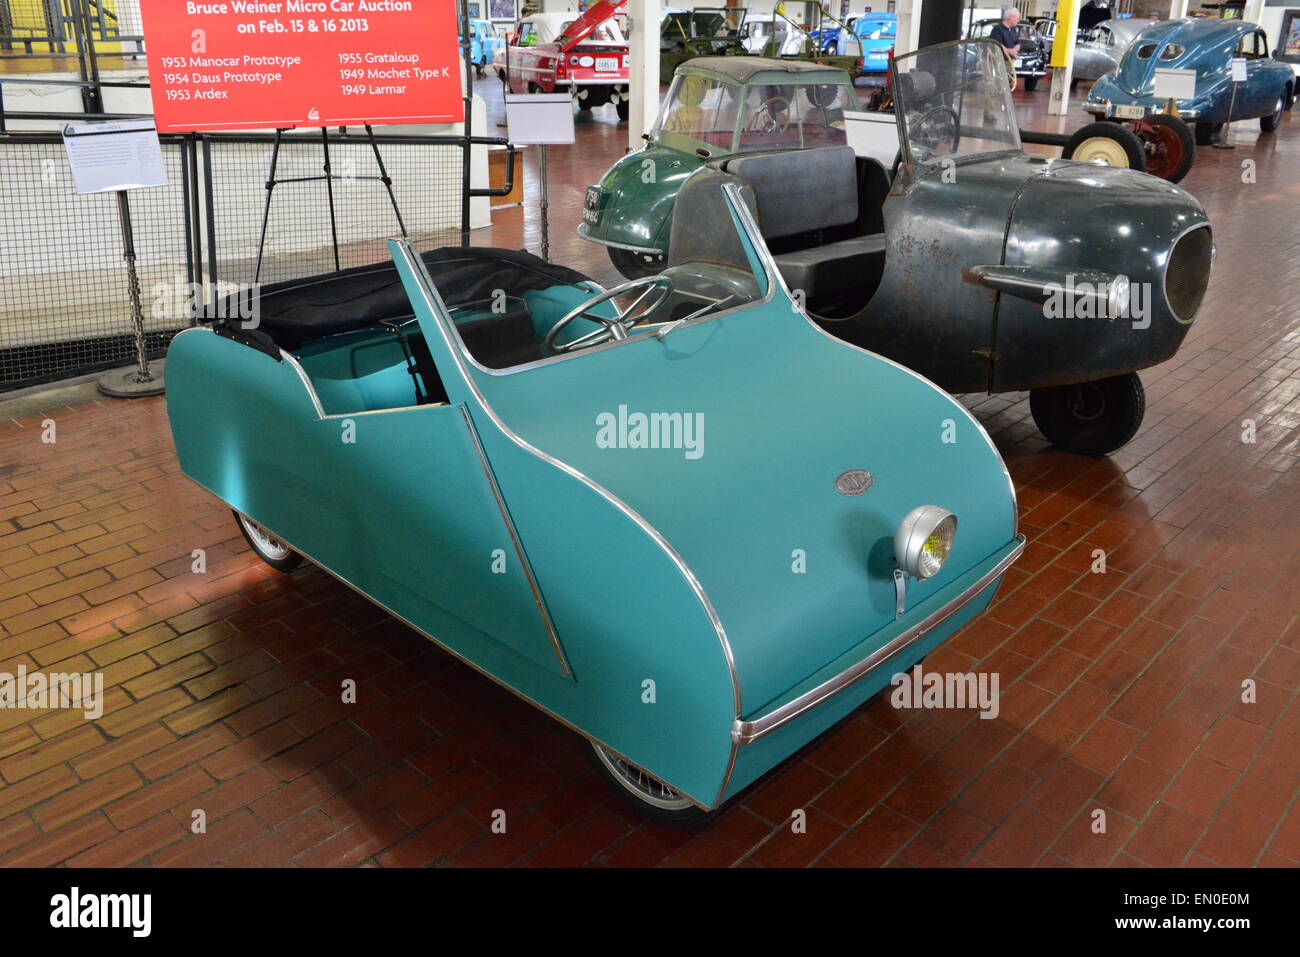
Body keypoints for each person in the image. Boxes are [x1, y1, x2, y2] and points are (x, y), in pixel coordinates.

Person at [990, 7, 1022, 92]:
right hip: (998, 61)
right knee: (997, 84)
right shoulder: (997, 29)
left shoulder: (1013, 30)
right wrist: (1009, 51)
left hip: (1009, 62)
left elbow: (1017, 43)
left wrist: (1014, 50)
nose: (1018, 20)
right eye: (1017, 18)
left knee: (1006, 83)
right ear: (1011, 17)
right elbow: (997, 44)